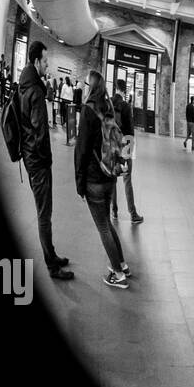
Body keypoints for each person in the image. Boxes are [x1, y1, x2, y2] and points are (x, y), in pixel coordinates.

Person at [15, 41, 73, 282]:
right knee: (44, 213)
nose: (48, 64)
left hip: (29, 158)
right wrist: (47, 158)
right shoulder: (36, 91)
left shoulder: (23, 84)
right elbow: (40, 131)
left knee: (44, 212)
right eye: (46, 61)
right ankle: (52, 265)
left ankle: (53, 254)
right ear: (36, 61)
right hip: (38, 161)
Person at [73, 71, 130, 288]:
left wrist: (79, 183)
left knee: (103, 227)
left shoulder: (88, 111)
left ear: (91, 86)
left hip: (94, 179)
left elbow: (82, 149)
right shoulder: (109, 109)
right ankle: (122, 264)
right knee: (107, 222)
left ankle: (118, 274)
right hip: (109, 177)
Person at [110, 80, 144, 224]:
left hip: (111, 146)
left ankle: (114, 211)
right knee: (127, 179)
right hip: (124, 145)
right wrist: (129, 153)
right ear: (124, 91)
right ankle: (133, 214)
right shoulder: (125, 106)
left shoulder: (108, 102)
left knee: (112, 178)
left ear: (116, 89)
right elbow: (130, 131)